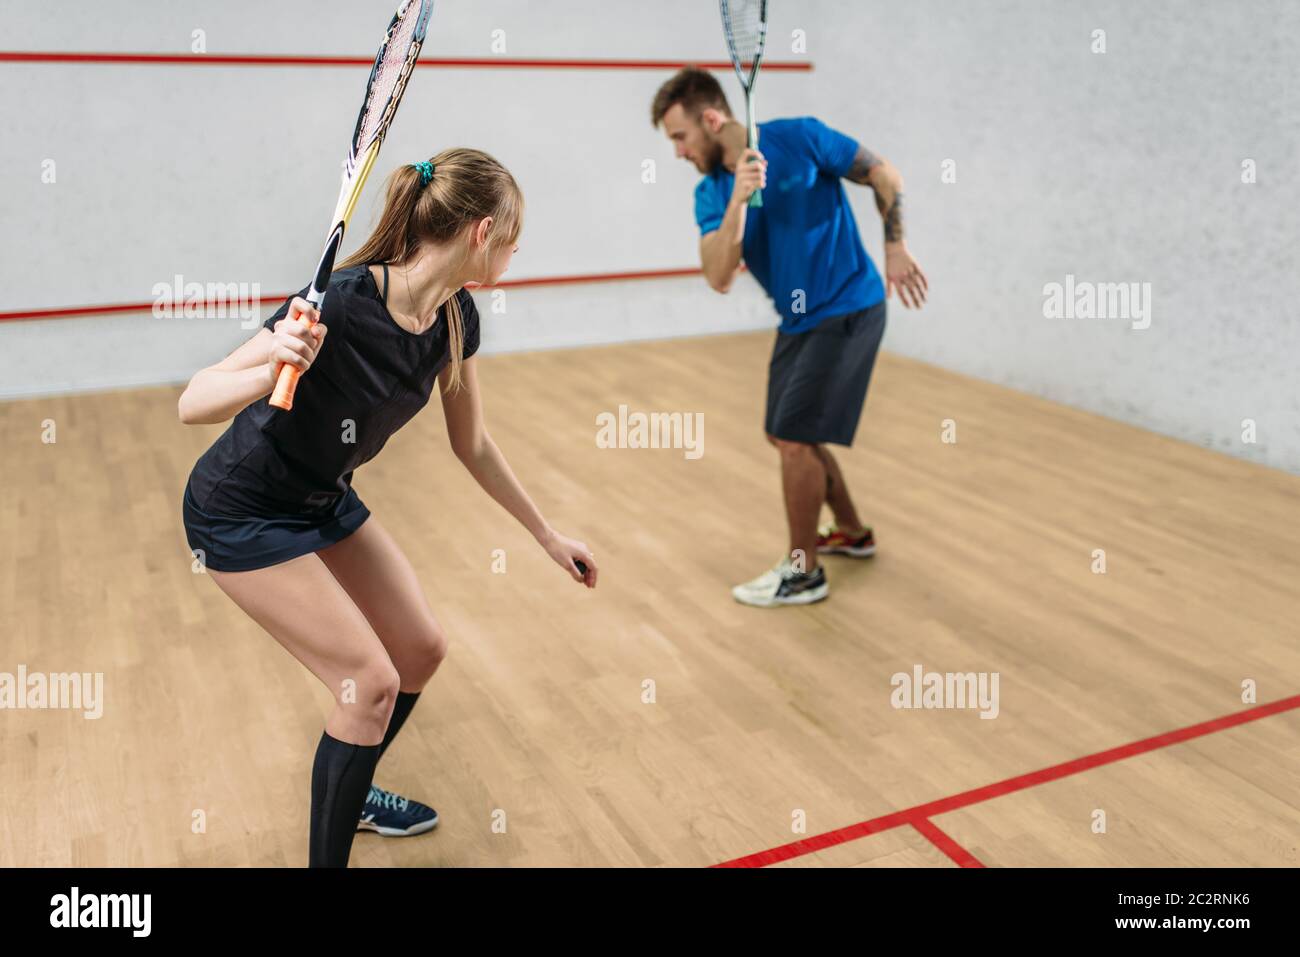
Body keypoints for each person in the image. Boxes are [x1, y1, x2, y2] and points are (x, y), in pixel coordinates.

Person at [178, 147, 598, 867]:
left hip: (322, 496)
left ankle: (356, 777)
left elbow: (475, 447)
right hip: (238, 510)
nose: (517, 249)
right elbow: (193, 400)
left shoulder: (456, 316)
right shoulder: (341, 301)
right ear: (480, 231)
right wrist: (271, 360)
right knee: (370, 683)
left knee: (419, 650)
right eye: (512, 235)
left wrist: (547, 535)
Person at [651, 68, 928, 608]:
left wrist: (895, 246)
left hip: (850, 305)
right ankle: (851, 531)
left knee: (796, 437)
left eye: (681, 137)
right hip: (798, 320)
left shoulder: (800, 136)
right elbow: (719, 276)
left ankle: (804, 573)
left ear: (711, 120)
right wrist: (738, 198)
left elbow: (884, 174)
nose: (679, 152)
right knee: (784, 435)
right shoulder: (711, 192)